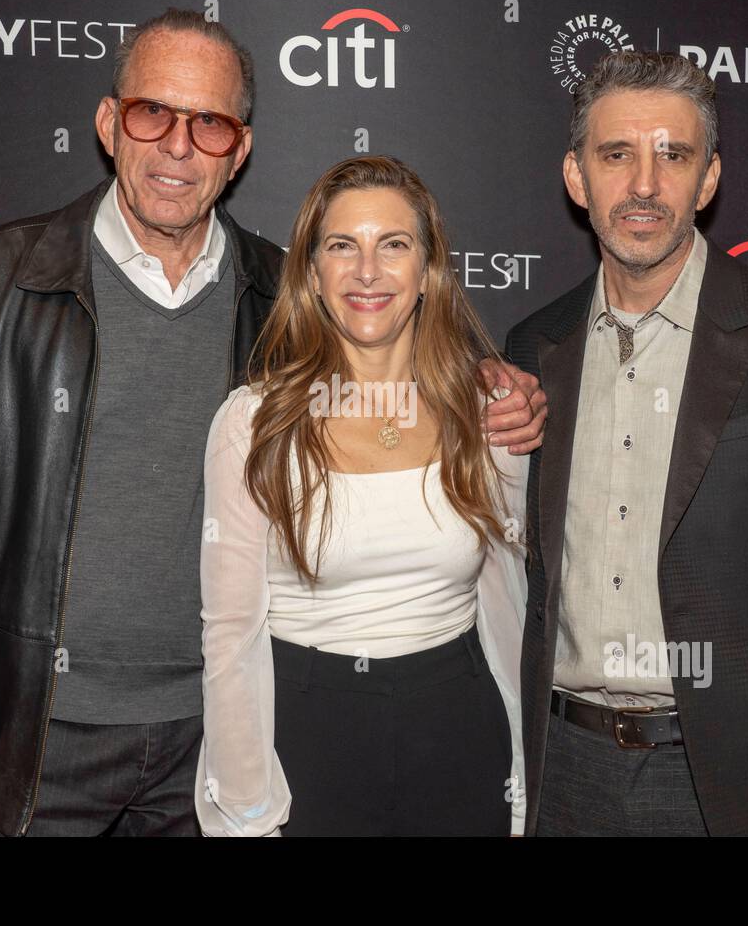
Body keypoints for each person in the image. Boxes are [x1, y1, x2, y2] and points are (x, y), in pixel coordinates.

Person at [0, 11, 547, 837]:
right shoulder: (6, 278)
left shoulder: (280, 292)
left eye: (210, 124)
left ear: (239, 150)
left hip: (215, 728)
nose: (177, 146)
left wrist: (490, 383)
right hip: (43, 722)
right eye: (151, 112)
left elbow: (399, 364)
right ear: (107, 123)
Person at [504, 51, 748, 836]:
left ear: (708, 179)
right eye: (617, 155)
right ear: (577, 177)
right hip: (564, 775)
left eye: (674, 155)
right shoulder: (534, 346)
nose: (645, 184)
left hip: (730, 781)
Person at [194, 156, 529, 836]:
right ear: (312, 275)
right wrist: (246, 808)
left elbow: (508, 601)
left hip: (460, 725)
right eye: (342, 246)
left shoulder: (487, 412)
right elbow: (230, 634)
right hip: (309, 733)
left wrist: (522, 769)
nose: (367, 271)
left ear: (428, 273)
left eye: (393, 245)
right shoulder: (252, 424)